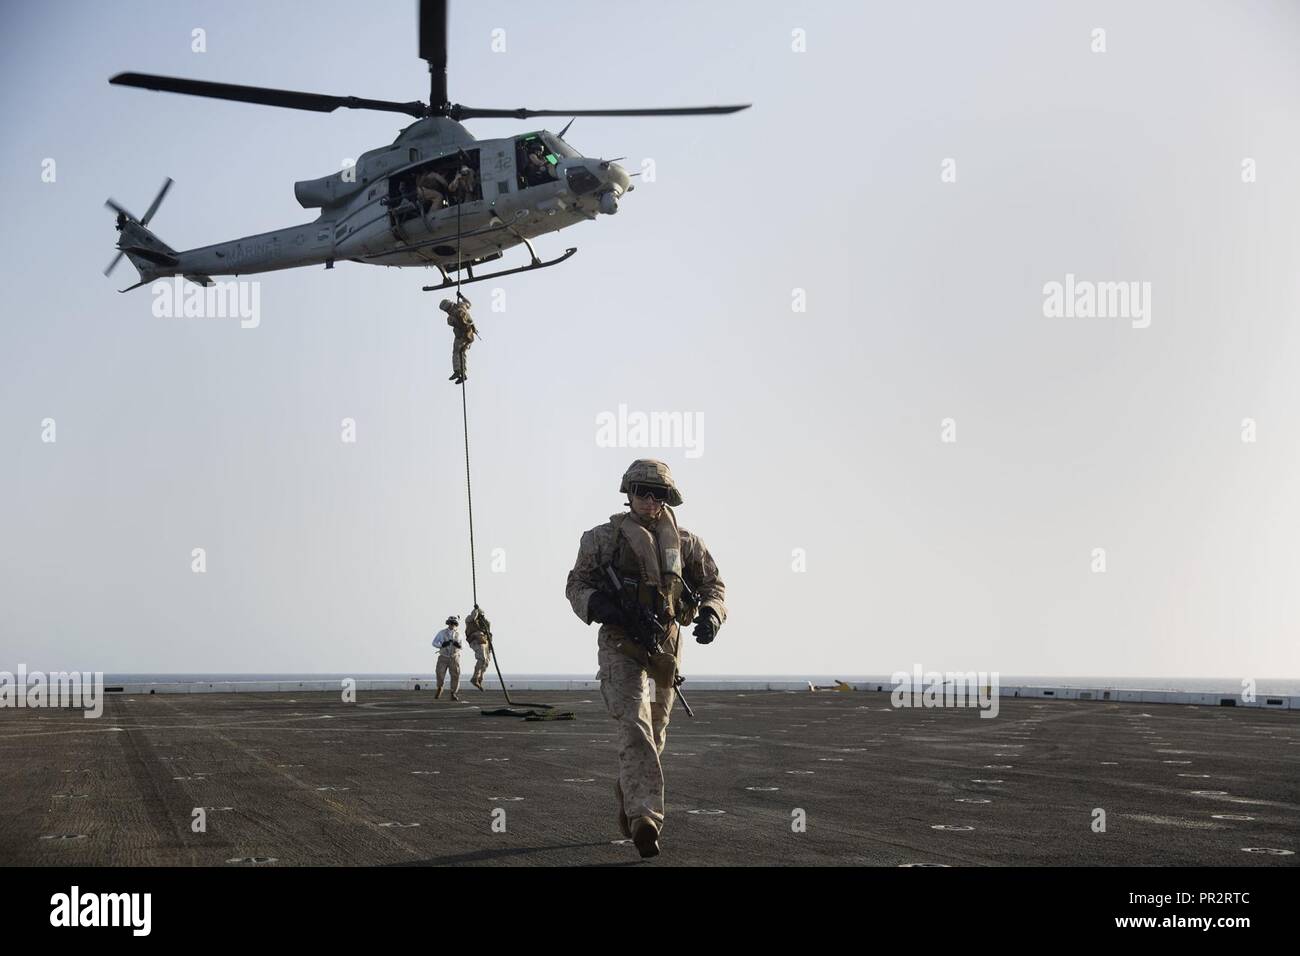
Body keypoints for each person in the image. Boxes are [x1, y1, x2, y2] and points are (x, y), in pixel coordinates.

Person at [564, 459, 726, 859]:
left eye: (658, 495)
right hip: (621, 646)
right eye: (641, 492)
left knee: (655, 731)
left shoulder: (687, 543)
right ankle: (645, 820)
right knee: (634, 726)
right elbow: (576, 585)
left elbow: (713, 584)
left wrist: (710, 615)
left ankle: (630, 790)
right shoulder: (602, 539)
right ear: (628, 494)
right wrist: (602, 605)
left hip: (664, 649)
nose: (649, 501)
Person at [439, 293, 476, 384]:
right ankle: (463, 373)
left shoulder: (451, 317)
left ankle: (457, 371)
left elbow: (452, 323)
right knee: (462, 353)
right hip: (469, 335)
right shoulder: (462, 306)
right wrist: (462, 297)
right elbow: (469, 303)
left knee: (457, 352)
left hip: (462, 336)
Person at [432, 615, 463, 701]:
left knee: (455, 675)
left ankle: (453, 693)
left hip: (454, 657)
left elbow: (462, 645)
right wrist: (441, 645)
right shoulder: (441, 633)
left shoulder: (459, 634)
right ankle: (440, 687)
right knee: (439, 673)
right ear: (448, 623)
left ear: (456, 624)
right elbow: (434, 643)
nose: (452, 625)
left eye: (454, 623)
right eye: (450, 623)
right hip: (443, 657)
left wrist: (458, 645)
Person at [464, 605, 492, 691]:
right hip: (475, 640)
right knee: (482, 658)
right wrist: (476, 611)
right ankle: (475, 678)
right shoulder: (470, 620)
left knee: (486, 661)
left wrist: (490, 647)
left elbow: (489, 634)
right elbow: (473, 617)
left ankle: (480, 678)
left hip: (484, 642)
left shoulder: (486, 623)